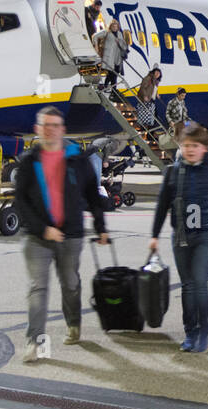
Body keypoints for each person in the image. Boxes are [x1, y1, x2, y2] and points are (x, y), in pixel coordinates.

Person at [12, 107, 109, 362]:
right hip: (37, 237)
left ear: (62, 129)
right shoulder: (28, 161)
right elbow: (20, 201)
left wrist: (101, 227)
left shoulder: (77, 160)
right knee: (38, 288)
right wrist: (43, 228)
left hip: (71, 236)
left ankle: (73, 323)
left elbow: (93, 195)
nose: (50, 130)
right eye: (45, 125)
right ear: (37, 129)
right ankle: (34, 341)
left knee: (71, 284)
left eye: (55, 125)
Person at [148, 123, 208, 353]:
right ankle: (190, 331)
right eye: (186, 145)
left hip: (205, 236)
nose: (190, 150)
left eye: (195, 146)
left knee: (199, 281)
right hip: (180, 236)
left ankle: (203, 330)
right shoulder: (172, 172)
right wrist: (154, 235)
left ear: (204, 148)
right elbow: (162, 206)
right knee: (188, 286)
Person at [93, 20, 129, 89]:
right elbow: (95, 36)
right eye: (113, 26)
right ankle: (114, 91)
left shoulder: (119, 34)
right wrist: (96, 46)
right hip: (109, 58)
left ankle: (105, 86)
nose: (115, 28)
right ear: (110, 26)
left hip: (117, 58)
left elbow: (123, 45)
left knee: (113, 73)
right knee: (113, 74)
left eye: (116, 26)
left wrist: (120, 42)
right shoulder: (106, 32)